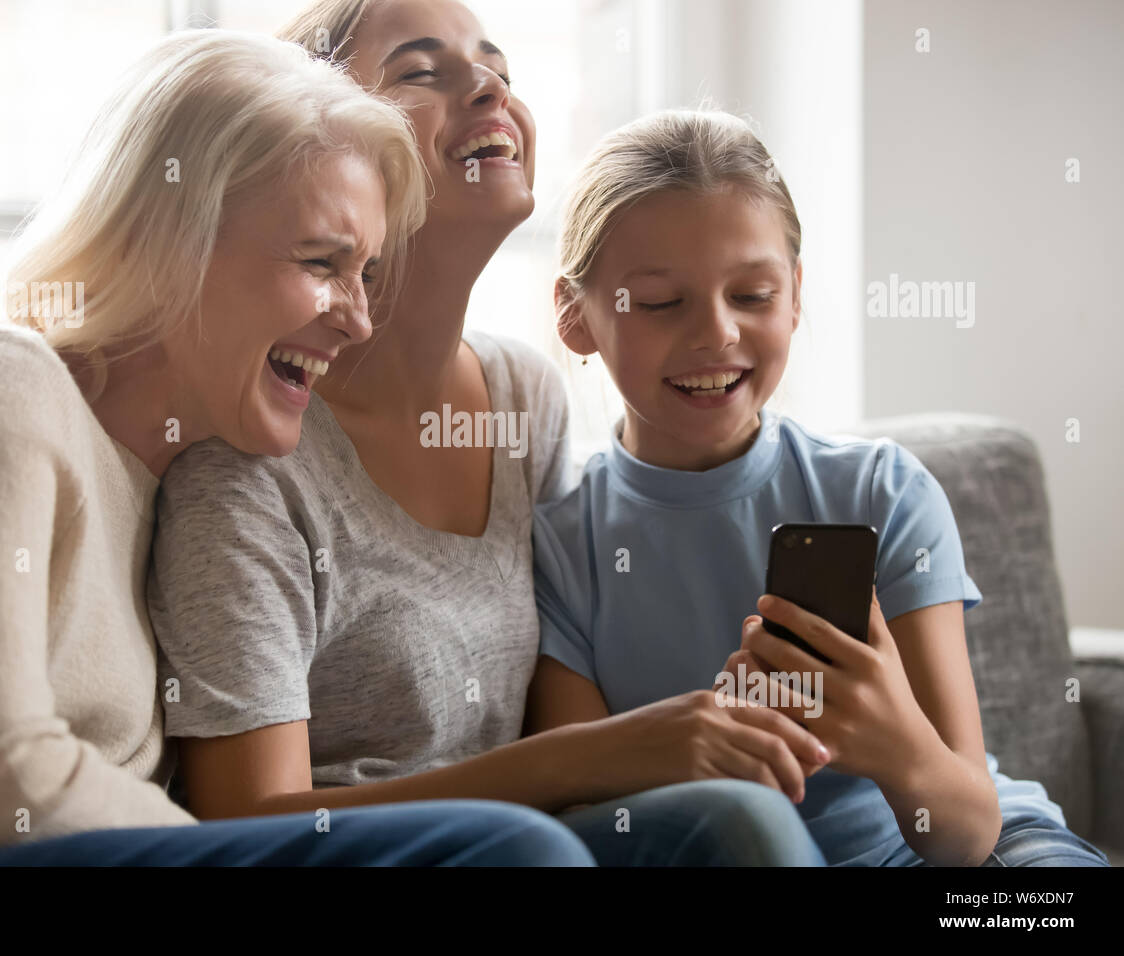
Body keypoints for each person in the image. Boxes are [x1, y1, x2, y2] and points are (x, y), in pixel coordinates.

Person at [0, 28, 593, 868]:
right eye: (321, 263)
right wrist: (230, 852)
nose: (358, 318)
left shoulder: (170, 481)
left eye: (365, 273)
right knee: (515, 852)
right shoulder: (2, 384)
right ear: (174, 242)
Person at [148, 0, 828, 866]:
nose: (490, 90)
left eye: (500, 70)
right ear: (314, 140)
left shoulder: (523, 399)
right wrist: (596, 757)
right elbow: (248, 817)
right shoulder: (250, 471)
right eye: (422, 72)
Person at [525, 106, 1109, 867]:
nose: (716, 334)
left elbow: (967, 830)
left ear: (795, 295)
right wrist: (704, 750)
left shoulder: (881, 493)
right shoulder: (562, 544)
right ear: (575, 316)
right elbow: (591, 821)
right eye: (663, 303)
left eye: (753, 296)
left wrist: (893, 738)